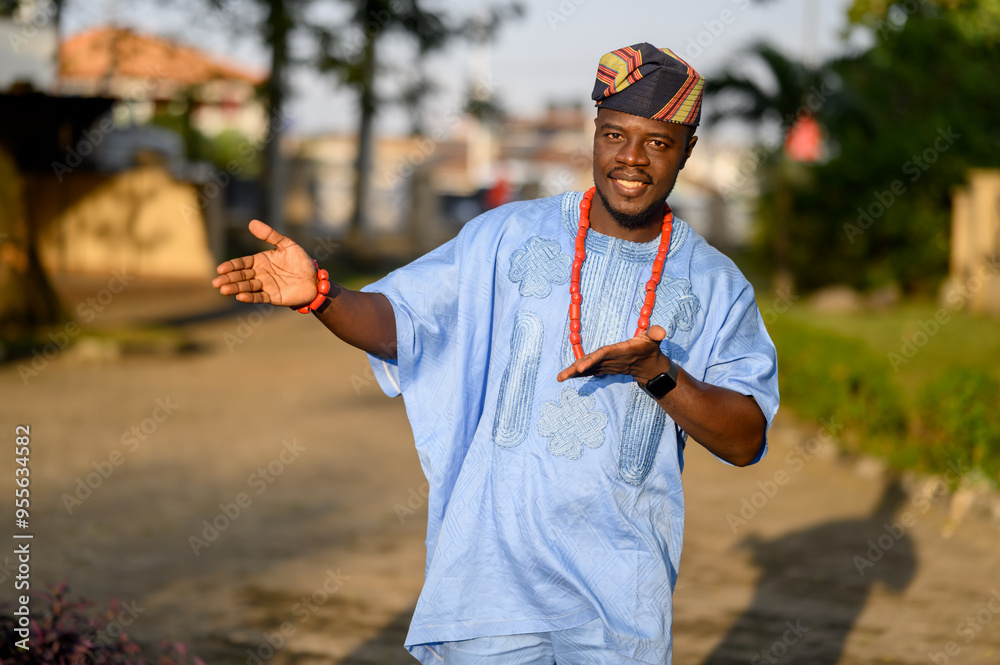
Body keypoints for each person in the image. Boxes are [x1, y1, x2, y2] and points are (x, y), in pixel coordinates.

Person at [212, 43, 779, 665]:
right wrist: (322, 294)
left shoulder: (716, 284)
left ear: (688, 150)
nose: (631, 158)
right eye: (615, 135)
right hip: (491, 581)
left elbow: (744, 438)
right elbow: (405, 323)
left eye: (658, 143)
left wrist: (659, 373)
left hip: (621, 597)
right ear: (595, 133)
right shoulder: (507, 235)